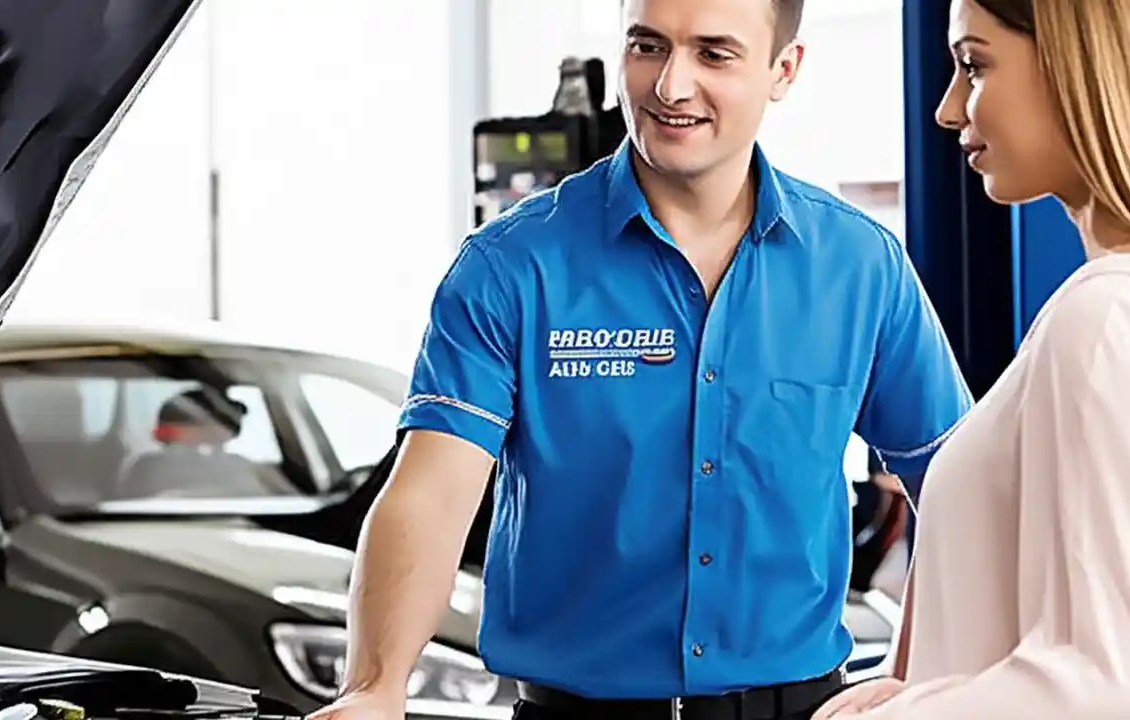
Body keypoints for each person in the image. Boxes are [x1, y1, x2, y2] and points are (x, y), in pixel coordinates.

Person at [308, 0, 971, 718]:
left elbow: (965, 489)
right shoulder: (512, 266)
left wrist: (916, 671)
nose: (670, 86)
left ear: (784, 69)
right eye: (648, 46)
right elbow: (431, 494)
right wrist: (375, 686)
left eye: (713, 54)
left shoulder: (859, 266)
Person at [814, 0, 1130, 717]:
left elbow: (1103, 686)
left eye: (974, 65)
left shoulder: (1112, 320)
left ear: (1082, 68)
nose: (950, 110)